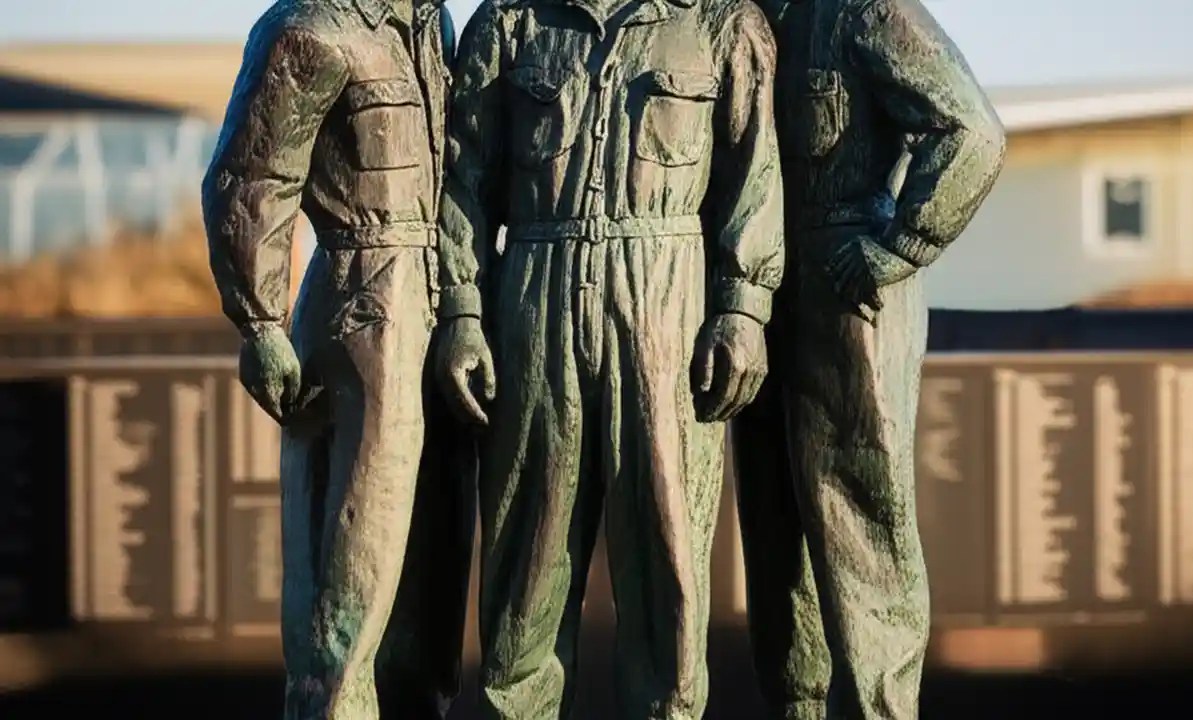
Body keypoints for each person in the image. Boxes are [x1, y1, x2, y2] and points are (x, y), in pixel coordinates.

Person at [432, 0, 787, 715]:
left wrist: (744, 307)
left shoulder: (722, 23)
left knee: (669, 580)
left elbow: (754, 176)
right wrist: (463, 311)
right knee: (523, 584)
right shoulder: (508, 22)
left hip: (667, 315)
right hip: (533, 304)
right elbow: (462, 178)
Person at [733, 0, 1006, 717]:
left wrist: (902, 244)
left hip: (846, 291)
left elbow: (972, 131)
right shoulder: (742, 17)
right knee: (775, 526)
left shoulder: (867, 12)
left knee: (859, 515)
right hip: (755, 293)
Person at [202, 0, 467, 717]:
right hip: (360, 305)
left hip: (445, 313)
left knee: (427, 597)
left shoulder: (429, 26)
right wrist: (260, 321)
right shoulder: (309, 28)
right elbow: (251, 177)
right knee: (347, 591)